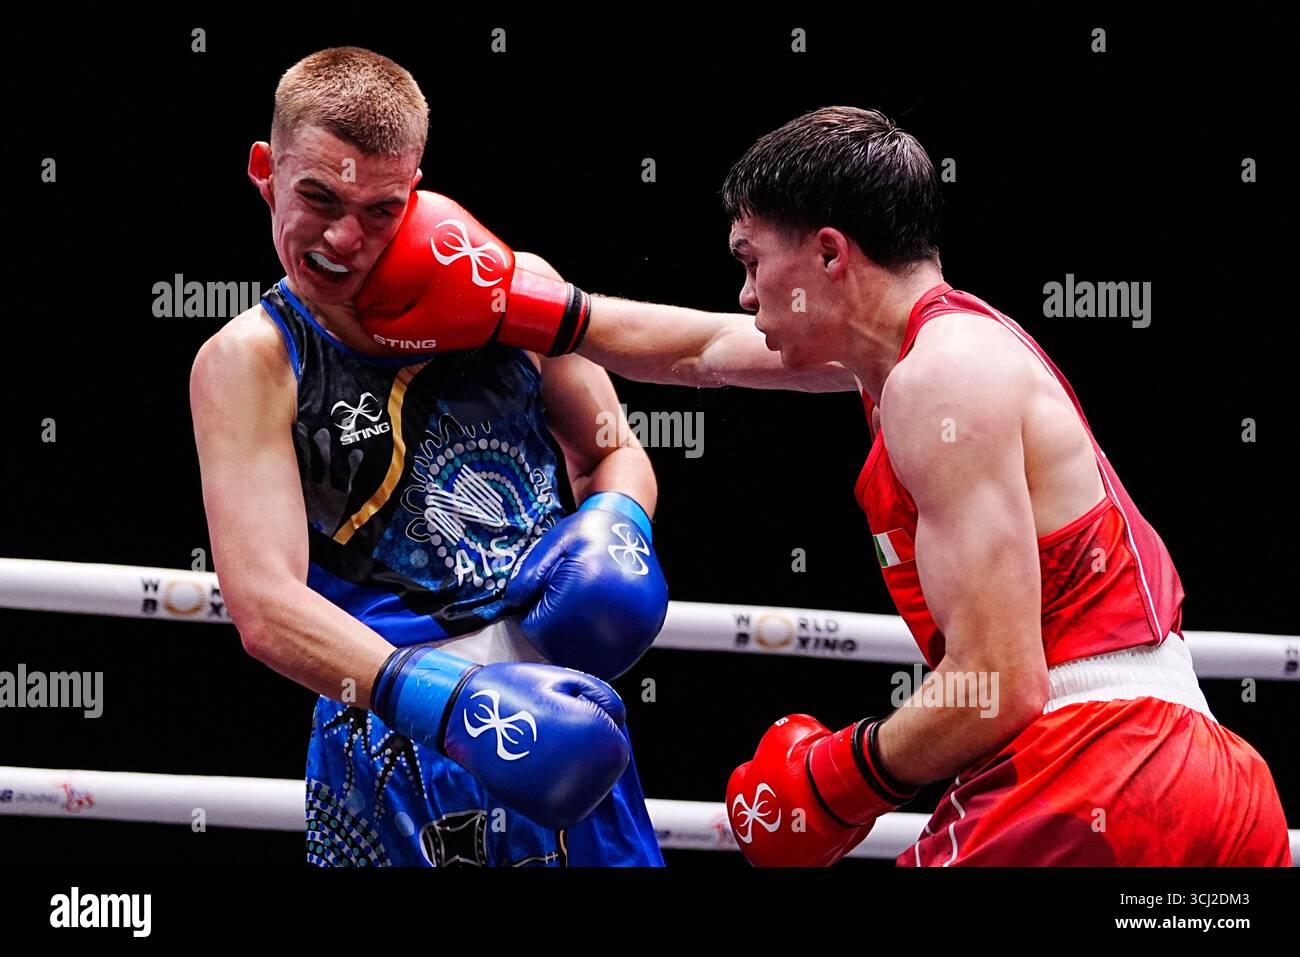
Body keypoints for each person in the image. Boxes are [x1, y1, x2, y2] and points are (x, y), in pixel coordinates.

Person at [361, 105, 1290, 866]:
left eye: (751, 259)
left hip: (1103, 770)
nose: (744, 291)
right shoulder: (913, 355)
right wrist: (532, 308)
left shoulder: (940, 378)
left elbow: (1000, 682)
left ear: (831, 255)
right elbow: (700, 353)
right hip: (1192, 778)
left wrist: (842, 775)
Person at [191, 46, 678, 867]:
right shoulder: (253, 359)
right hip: (392, 735)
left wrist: (614, 526)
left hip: (560, 723)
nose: (344, 237)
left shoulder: (513, 292)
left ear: (414, 187)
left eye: (379, 210)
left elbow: (612, 452)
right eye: (317, 197)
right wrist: (449, 701)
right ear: (264, 172)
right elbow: (265, 607)